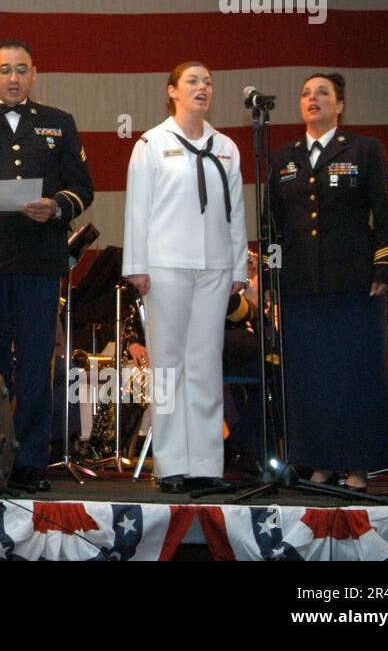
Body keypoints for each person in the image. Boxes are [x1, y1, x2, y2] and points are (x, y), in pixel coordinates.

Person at [0, 40, 93, 492]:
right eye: (4, 69)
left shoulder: (58, 124)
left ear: (34, 74)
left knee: (33, 366)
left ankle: (29, 461)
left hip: (39, 264)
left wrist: (57, 205)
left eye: (21, 70)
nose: (12, 78)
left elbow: (83, 188)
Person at [269, 72, 388, 490]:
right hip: (302, 284)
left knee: (356, 375)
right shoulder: (282, 158)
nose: (312, 99)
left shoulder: (364, 150)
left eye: (322, 93)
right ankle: (318, 463)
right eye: (305, 93)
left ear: (340, 105)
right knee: (313, 377)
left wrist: (385, 266)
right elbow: (273, 223)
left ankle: (358, 465)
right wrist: (274, 278)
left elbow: (385, 212)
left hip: (354, 280)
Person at [123, 61, 248, 492]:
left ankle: (207, 463)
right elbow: (137, 209)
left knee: (205, 364)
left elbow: (236, 212)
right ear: (172, 91)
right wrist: (136, 265)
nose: (203, 88)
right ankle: (171, 463)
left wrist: (239, 266)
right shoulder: (152, 144)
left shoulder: (226, 147)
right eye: (193, 81)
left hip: (214, 267)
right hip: (165, 266)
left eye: (208, 82)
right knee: (168, 366)